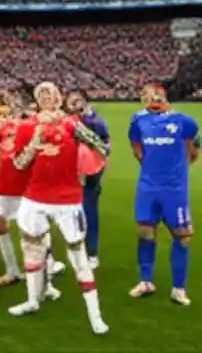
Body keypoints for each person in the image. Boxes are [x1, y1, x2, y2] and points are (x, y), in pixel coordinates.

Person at [8, 82, 110, 335]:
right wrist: (34, 141)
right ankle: (33, 300)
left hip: (68, 200)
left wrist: (90, 164)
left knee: (78, 255)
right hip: (35, 197)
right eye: (41, 94)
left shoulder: (72, 124)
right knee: (32, 250)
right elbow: (19, 164)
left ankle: (95, 316)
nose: (46, 98)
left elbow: (102, 145)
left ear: (58, 97)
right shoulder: (27, 126)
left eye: (50, 94)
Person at [127, 83, 199, 306]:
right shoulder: (138, 119)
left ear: (165, 97)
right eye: (146, 96)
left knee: (183, 236)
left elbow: (194, 149)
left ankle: (178, 288)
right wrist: (148, 165)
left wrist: (177, 171)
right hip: (147, 187)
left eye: (156, 95)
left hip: (174, 189)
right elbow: (135, 144)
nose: (152, 100)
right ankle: (146, 281)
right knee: (145, 233)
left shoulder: (184, 121)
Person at [0, 93, 63, 294]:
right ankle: (11, 271)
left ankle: (48, 278)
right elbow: (5, 150)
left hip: (26, 188)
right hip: (4, 186)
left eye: (3, 111)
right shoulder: (2, 130)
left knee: (32, 233)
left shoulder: (29, 126)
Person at [67, 89, 110, 269]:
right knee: (72, 212)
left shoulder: (92, 119)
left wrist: (87, 117)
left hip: (90, 169)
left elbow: (105, 143)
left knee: (88, 209)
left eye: (78, 100)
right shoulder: (66, 120)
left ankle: (91, 252)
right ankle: (78, 249)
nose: (75, 104)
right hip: (71, 169)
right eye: (71, 100)